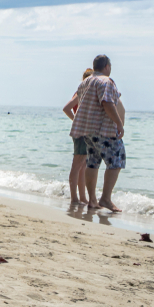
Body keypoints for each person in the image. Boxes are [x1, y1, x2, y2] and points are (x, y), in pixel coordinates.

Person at [70, 54, 125, 212]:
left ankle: (92, 200)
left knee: (93, 162)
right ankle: (105, 199)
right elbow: (107, 103)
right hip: (104, 130)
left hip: (87, 130)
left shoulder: (85, 82)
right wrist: (119, 123)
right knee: (117, 160)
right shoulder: (105, 81)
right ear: (106, 66)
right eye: (110, 66)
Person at [62, 68, 94, 205]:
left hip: (85, 132)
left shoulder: (86, 92)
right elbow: (66, 108)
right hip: (81, 132)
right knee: (77, 165)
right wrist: (76, 120)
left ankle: (82, 197)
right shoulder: (81, 92)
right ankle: (74, 198)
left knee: (82, 167)